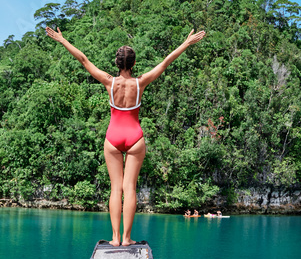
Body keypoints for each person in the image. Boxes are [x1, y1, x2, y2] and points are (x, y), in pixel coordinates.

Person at [46, 26, 206, 246]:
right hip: (135, 137)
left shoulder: (109, 82)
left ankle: (115, 238)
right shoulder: (140, 83)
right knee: (129, 188)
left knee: (115, 189)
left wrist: (62, 40)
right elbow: (165, 62)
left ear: (116, 63)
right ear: (133, 64)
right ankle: (128, 238)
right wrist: (186, 43)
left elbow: (83, 59)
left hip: (113, 137)